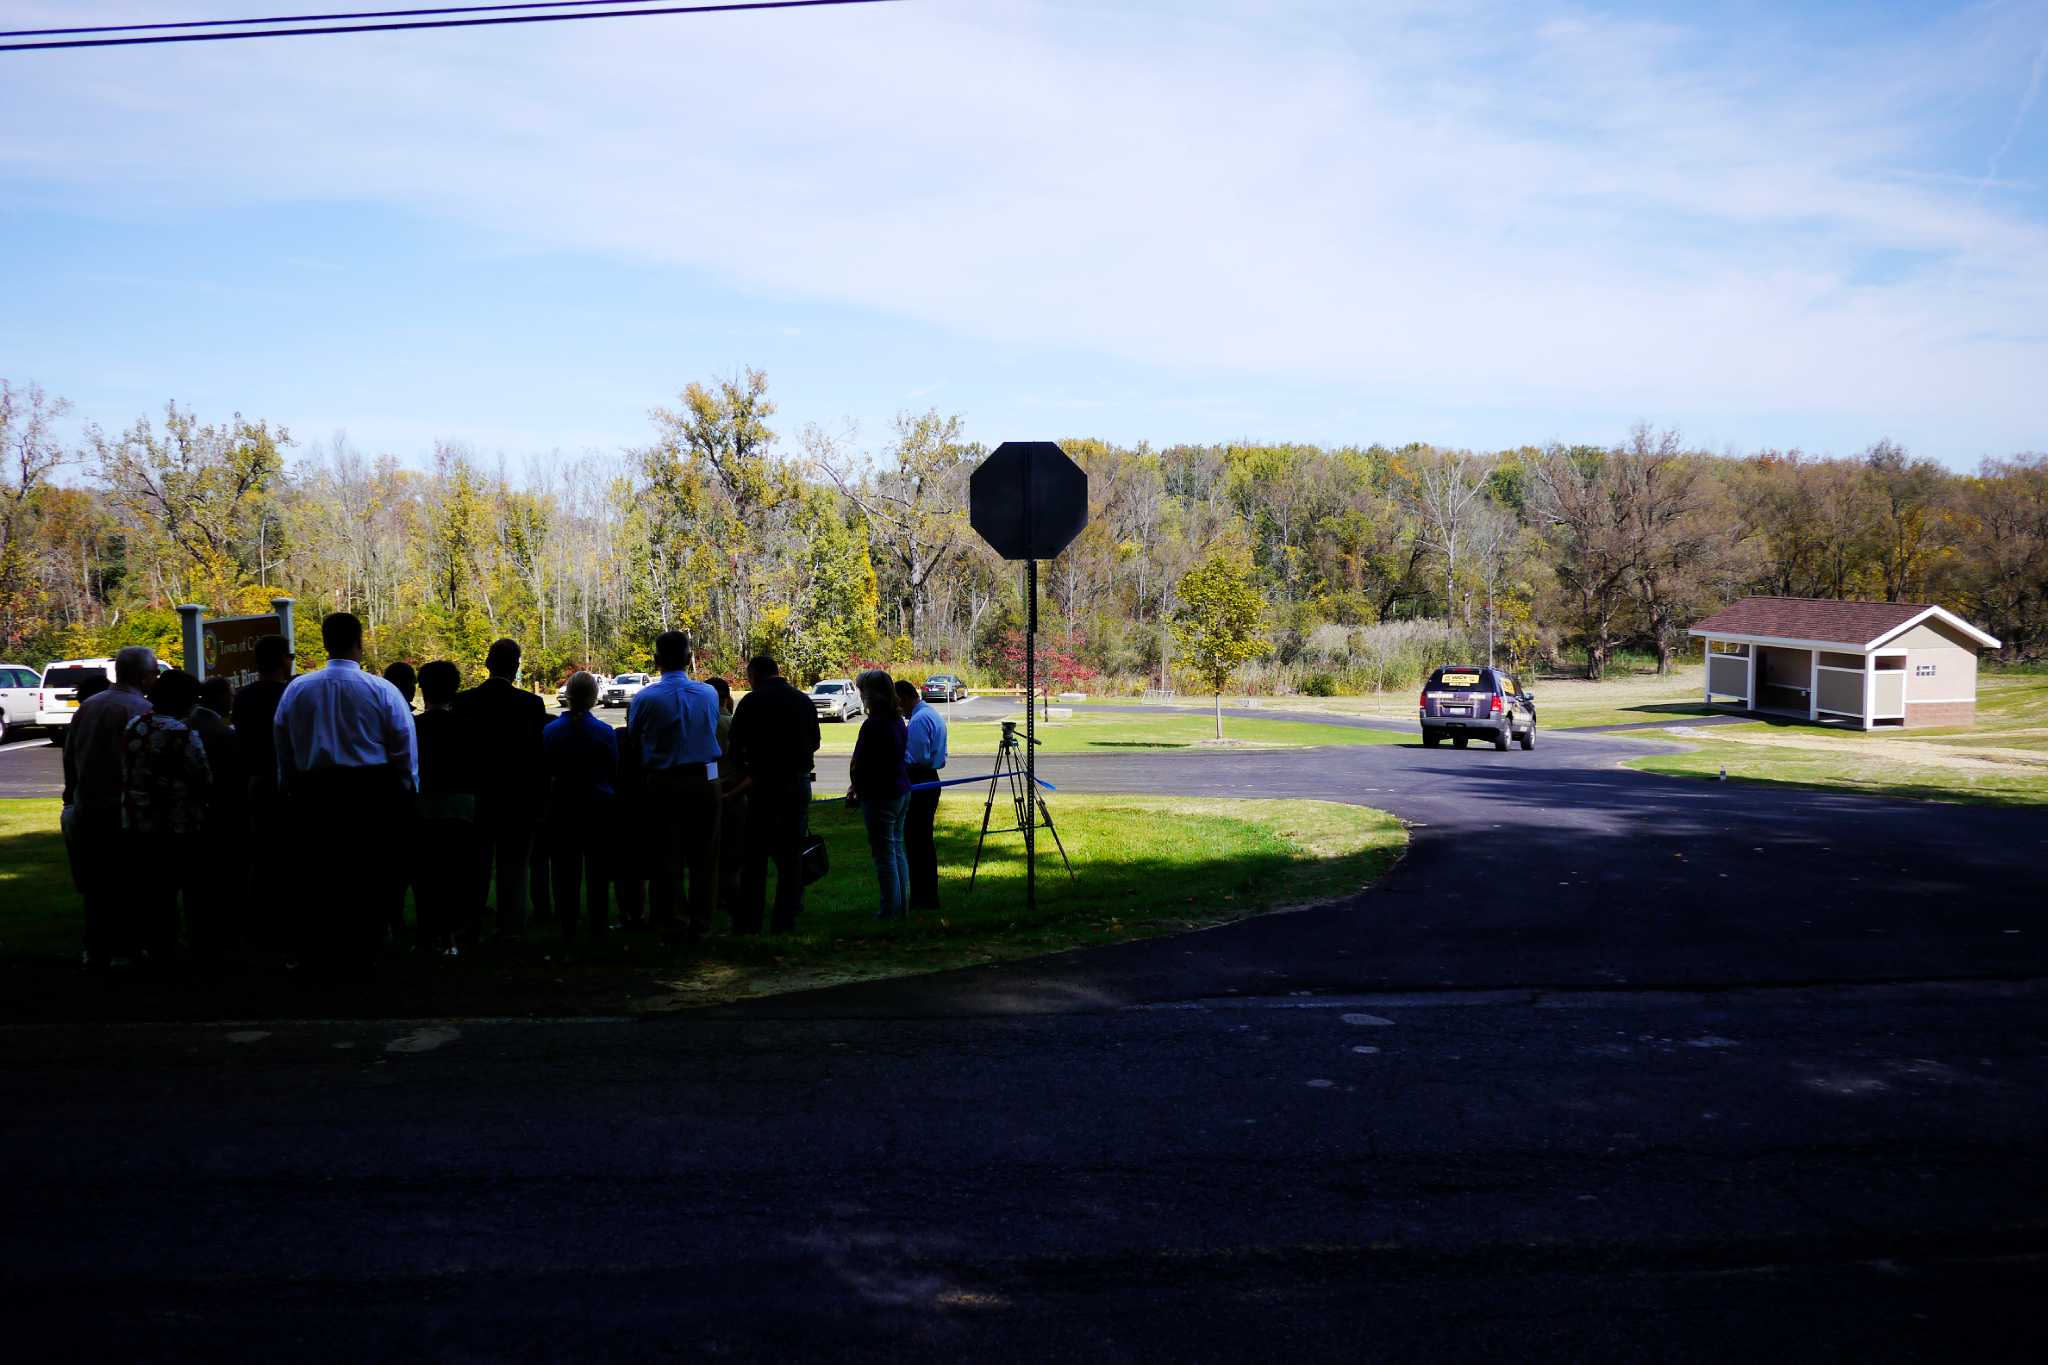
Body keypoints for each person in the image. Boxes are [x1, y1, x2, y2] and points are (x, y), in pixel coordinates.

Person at [273, 612, 417, 977]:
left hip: (314, 793)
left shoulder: (298, 689)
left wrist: (289, 784)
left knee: (319, 874)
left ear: (325, 643)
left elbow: (283, 743)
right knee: (368, 874)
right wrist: (405, 788)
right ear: (360, 641)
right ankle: (366, 948)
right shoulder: (381, 690)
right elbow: (403, 746)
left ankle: (321, 949)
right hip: (369, 793)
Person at [62, 647, 155, 968]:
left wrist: (71, 793)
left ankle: (95, 947)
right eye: (154, 673)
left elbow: (69, 754)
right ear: (142, 676)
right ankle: (125, 949)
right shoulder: (141, 708)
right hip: (122, 807)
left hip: (87, 804)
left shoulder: (88, 706)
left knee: (96, 886)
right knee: (128, 884)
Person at [627, 631, 722, 941]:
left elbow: (633, 740)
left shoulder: (645, 698)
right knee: (704, 856)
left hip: (662, 782)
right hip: (704, 781)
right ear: (688, 658)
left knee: (666, 854)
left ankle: (672, 920)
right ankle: (702, 921)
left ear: (656, 661)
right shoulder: (708, 693)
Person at [456, 638, 547, 940]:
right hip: (519, 799)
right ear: (516, 666)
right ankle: (512, 929)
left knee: (476, 868)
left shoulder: (464, 702)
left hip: (478, 797)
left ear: (487, 664)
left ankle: (471, 926)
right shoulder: (531, 705)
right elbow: (537, 758)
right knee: (515, 869)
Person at [120, 668, 213, 965]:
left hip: (140, 821)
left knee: (154, 891)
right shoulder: (182, 733)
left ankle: (157, 946)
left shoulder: (135, 725)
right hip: (179, 823)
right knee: (191, 889)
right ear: (184, 700)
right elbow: (202, 777)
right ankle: (193, 948)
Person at [726, 655, 820, 934]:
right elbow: (815, 741)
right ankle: (785, 920)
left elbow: (735, 745)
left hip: (763, 785)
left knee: (754, 856)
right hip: (796, 783)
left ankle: (749, 921)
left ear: (754, 676)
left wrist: (744, 772)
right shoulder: (803, 700)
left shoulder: (752, 702)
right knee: (791, 857)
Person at [544, 671, 618, 947]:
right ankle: (598, 925)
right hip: (597, 804)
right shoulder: (604, 732)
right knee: (597, 869)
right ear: (593, 697)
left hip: (563, 804)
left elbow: (546, 768)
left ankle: (567, 925)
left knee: (565, 869)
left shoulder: (550, 731)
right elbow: (613, 768)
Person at [413, 660, 481, 955]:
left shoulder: (413, 727)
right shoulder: (468, 728)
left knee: (427, 874)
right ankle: (454, 933)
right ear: (455, 689)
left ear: (423, 689)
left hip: (424, 805)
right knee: (458, 873)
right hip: (462, 806)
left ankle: (430, 932)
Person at [230, 634, 293, 949]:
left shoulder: (242, 697)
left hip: (252, 781)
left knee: (259, 855)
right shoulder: (291, 695)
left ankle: (255, 924)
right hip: (285, 782)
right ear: (284, 659)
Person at [187, 673, 244, 957]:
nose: (232, 700)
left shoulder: (192, 722)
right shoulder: (220, 732)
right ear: (221, 697)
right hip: (219, 811)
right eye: (230, 695)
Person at [849, 669, 911, 921]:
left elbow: (860, 762)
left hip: (880, 794)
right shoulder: (897, 721)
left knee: (884, 854)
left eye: (862, 690)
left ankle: (889, 910)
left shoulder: (873, 724)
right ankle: (901, 907)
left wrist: (856, 788)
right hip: (900, 789)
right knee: (896, 849)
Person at [897, 678, 949, 911]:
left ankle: (922, 897)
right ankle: (928, 895)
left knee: (916, 841)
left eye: (898, 705)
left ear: (904, 699)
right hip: (930, 779)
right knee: (923, 841)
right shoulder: (931, 713)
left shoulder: (918, 720)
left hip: (920, 780)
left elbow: (917, 759)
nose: (899, 711)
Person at [708, 676, 746, 923]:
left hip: (709, 791)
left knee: (710, 853)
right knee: (733, 855)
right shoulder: (733, 724)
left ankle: (712, 899)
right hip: (733, 791)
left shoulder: (703, 726)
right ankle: (732, 900)